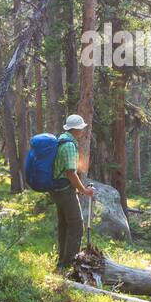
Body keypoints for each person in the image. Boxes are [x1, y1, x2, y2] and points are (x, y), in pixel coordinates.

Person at [52, 114, 95, 272]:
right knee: (77, 226)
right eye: (81, 128)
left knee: (64, 225)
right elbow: (71, 173)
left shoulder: (60, 140)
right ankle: (69, 265)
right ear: (76, 129)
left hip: (56, 189)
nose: (83, 130)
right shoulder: (69, 145)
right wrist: (83, 189)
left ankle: (61, 263)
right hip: (65, 190)